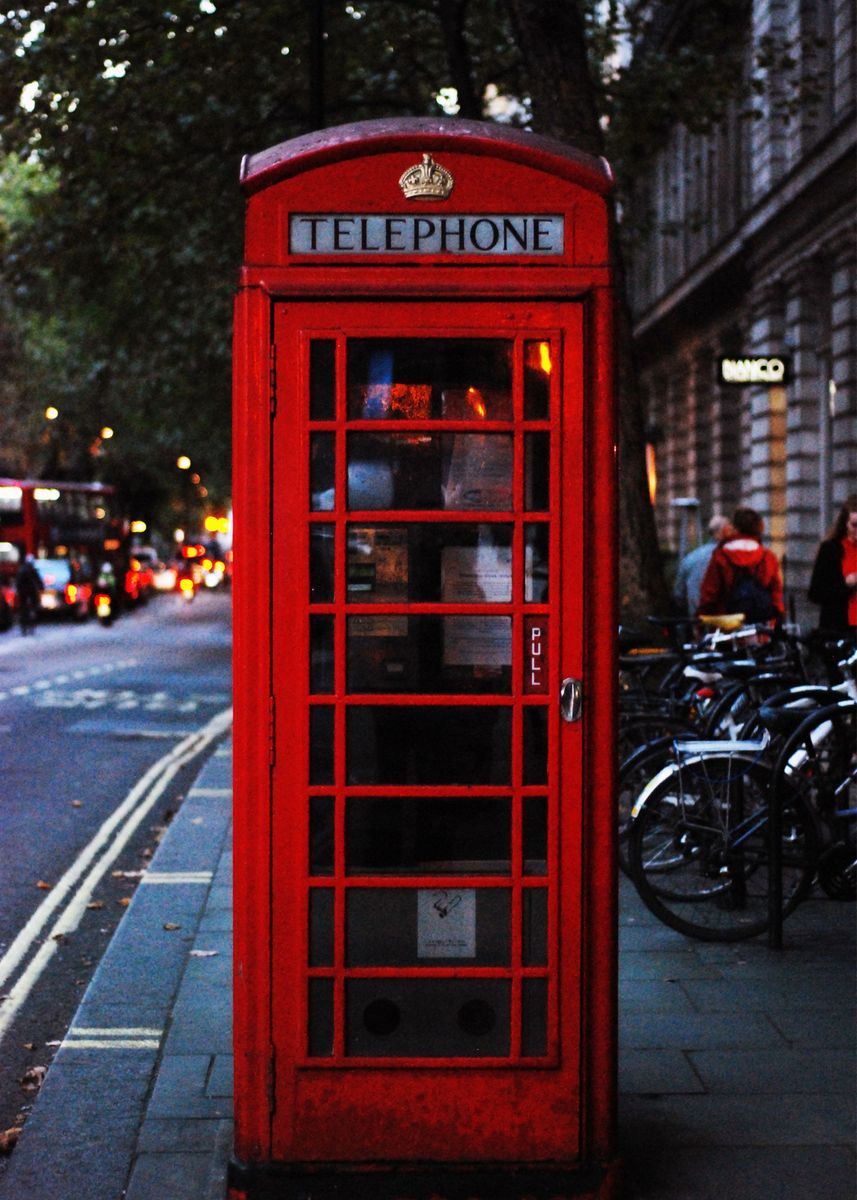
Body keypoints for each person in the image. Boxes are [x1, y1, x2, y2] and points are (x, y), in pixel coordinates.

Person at [697, 506, 784, 623]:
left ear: (735, 528)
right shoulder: (767, 557)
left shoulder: (721, 556)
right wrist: (777, 620)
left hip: (727, 626)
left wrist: (700, 621)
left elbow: (709, 595)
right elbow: (776, 594)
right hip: (761, 627)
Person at [807, 494, 857, 634]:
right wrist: (846, 585)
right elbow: (815, 593)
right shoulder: (831, 549)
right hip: (839, 629)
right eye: (854, 525)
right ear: (845, 523)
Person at [673, 514, 731, 617]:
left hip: (698, 620)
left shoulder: (691, 558)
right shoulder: (731, 556)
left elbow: (679, 594)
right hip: (728, 621)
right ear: (723, 532)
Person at [15, 555, 43, 636]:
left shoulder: (22, 570)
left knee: (24, 609)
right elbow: (38, 581)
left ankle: (25, 626)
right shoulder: (32, 570)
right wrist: (40, 587)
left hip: (24, 593)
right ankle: (29, 625)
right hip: (30, 593)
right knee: (32, 608)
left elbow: (18, 582)